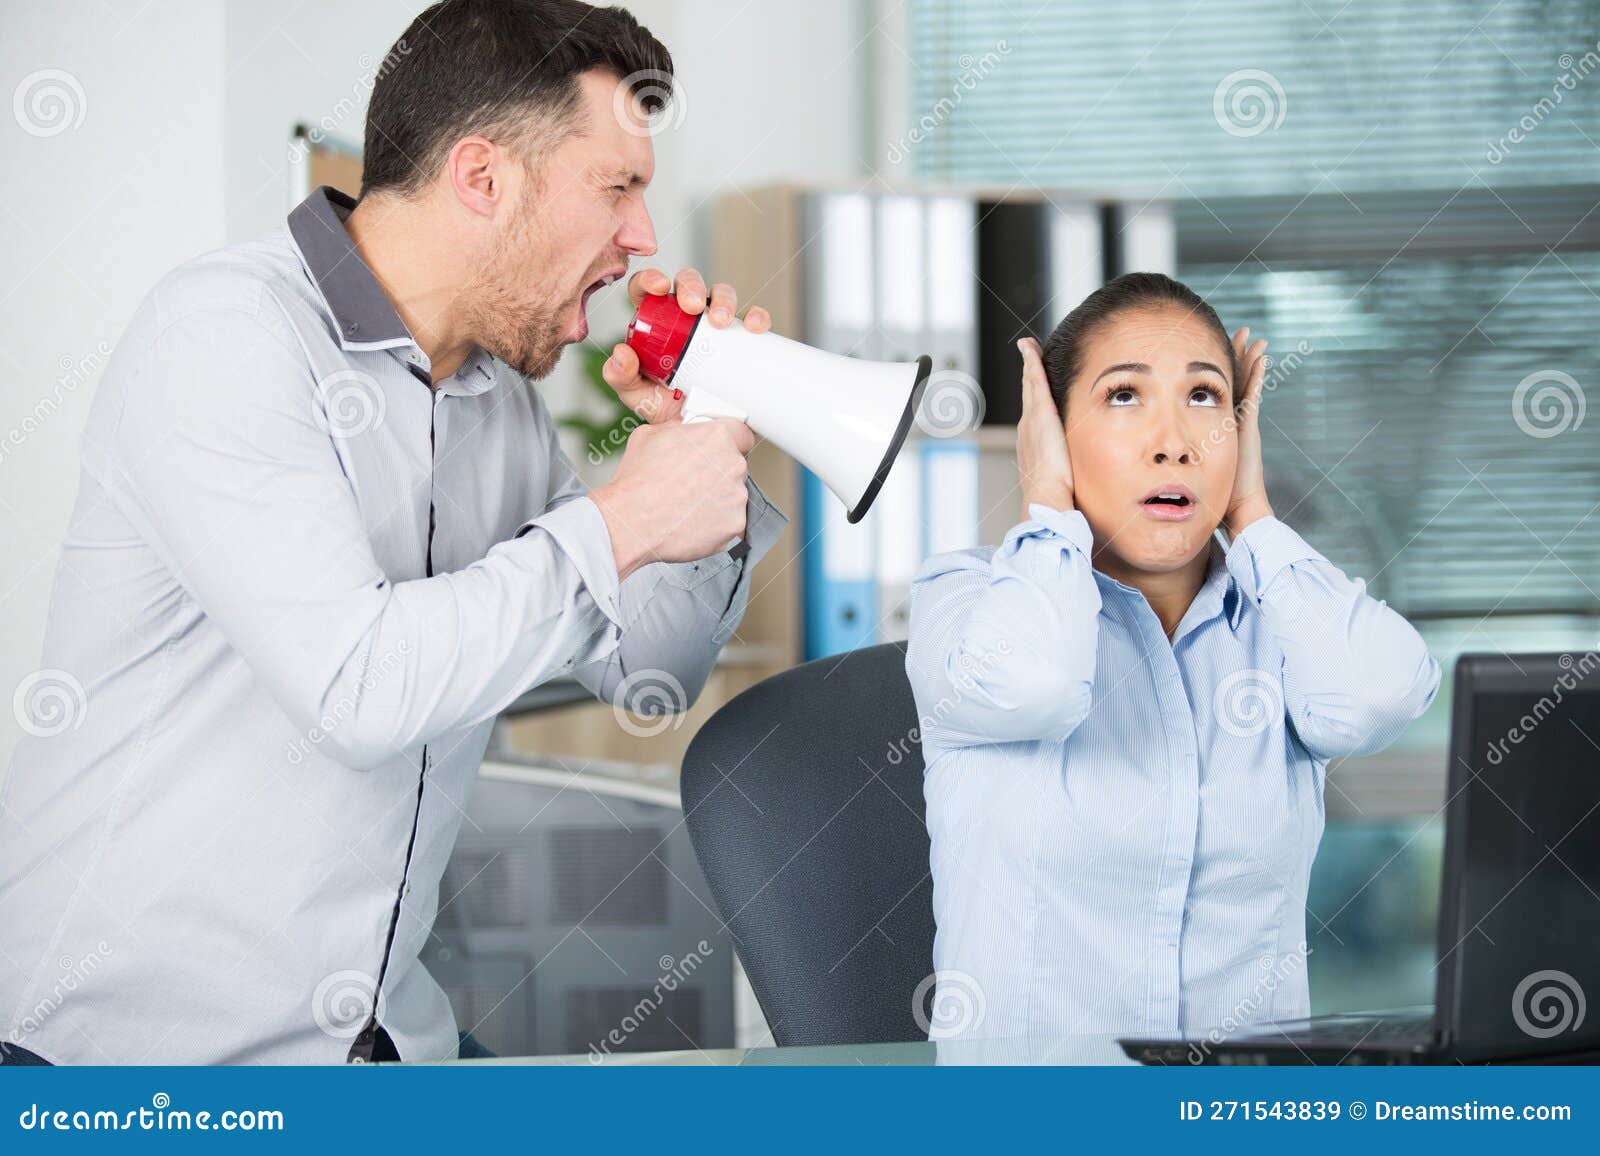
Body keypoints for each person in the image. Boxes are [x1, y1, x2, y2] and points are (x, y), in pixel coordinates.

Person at [0, 0, 786, 1064]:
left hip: (379, 1048)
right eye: (618, 187)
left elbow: (652, 667)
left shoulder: (497, 402)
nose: (643, 237)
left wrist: (702, 462)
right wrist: (625, 515)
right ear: (482, 178)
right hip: (132, 1062)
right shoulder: (227, 336)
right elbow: (357, 687)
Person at [905, 272, 1440, 1042]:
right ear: (1050, 427)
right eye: (1124, 396)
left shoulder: (1278, 629)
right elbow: (1037, 683)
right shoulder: (965, 600)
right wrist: (1048, 500)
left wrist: (1252, 514)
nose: (1174, 443)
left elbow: (1380, 696)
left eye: (1205, 399)